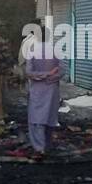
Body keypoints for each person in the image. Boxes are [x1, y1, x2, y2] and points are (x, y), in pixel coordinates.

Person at [25, 26, 63, 159]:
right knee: (50, 118)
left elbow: (29, 73)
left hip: (37, 89)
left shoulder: (32, 50)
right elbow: (61, 72)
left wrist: (43, 75)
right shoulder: (55, 50)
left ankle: (39, 148)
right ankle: (47, 145)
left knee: (36, 119)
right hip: (52, 89)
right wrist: (50, 76)